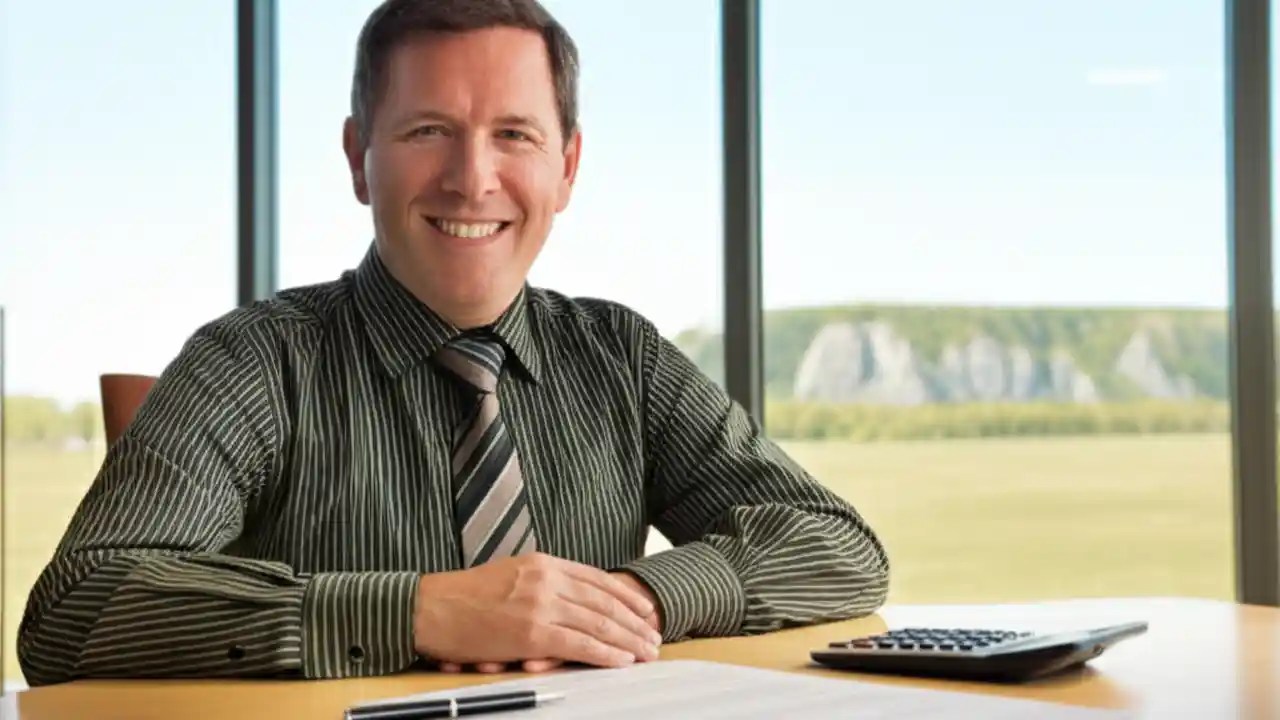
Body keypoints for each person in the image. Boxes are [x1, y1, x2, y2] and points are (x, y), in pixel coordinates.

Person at [18, 0, 889, 685]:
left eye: (514, 134)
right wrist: (420, 612)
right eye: (428, 131)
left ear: (566, 168)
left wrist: (631, 601)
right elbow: (76, 610)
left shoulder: (623, 357)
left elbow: (837, 545)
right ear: (359, 158)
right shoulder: (253, 363)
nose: (473, 180)